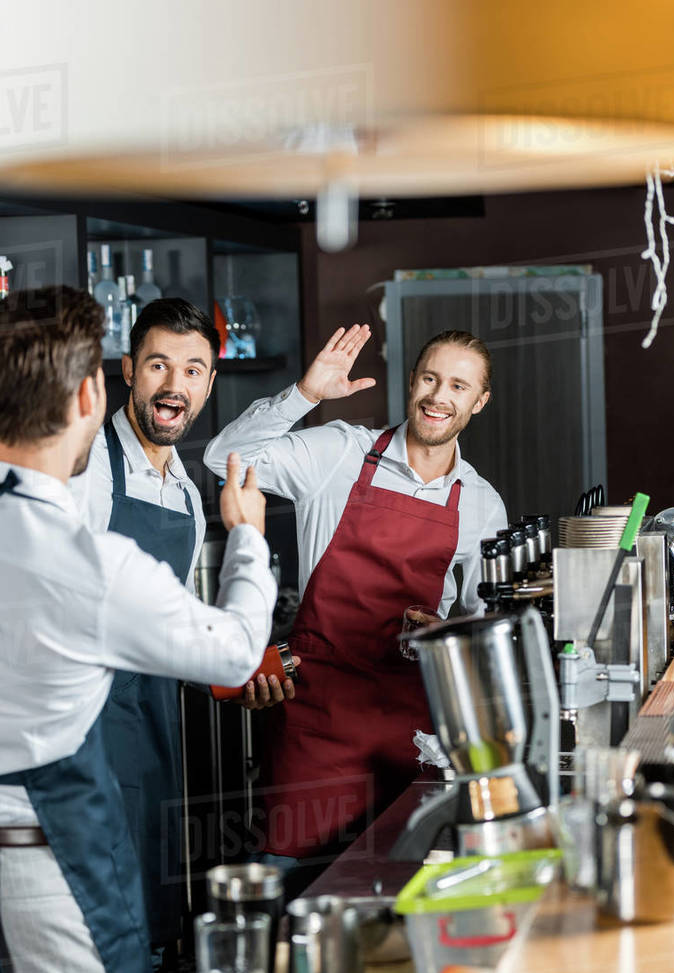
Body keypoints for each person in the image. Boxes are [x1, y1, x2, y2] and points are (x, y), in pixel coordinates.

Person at [0, 285, 276, 973]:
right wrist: (248, 542)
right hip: (45, 856)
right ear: (90, 399)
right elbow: (232, 647)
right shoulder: (88, 561)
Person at [203, 324, 507, 879]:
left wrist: (443, 633)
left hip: (407, 736)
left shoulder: (482, 505)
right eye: (431, 379)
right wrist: (306, 394)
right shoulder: (340, 452)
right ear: (412, 382)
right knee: (284, 887)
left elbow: (480, 626)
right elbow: (224, 456)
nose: (440, 397)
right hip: (316, 727)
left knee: (390, 890)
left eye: (459, 387)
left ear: (480, 402)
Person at [70, 297, 293, 950]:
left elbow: (170, 624)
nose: (175, 387)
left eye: (193, 370)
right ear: (129, 370)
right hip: (85, 727)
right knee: (101, 918)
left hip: (153, 724)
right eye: (159, 366)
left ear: (210, 383)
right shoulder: (87, 471)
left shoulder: (188, 494)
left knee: (152, 913)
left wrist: (231, 670)